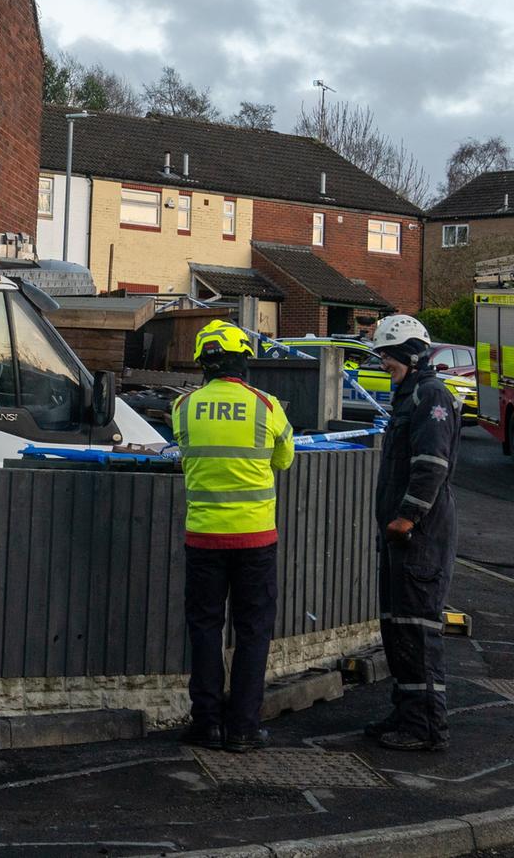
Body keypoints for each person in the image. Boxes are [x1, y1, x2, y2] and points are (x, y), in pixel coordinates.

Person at [173, 320, 295, 752]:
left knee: (205, 628)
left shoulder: (184, 407)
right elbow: (284, 459)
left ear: (203, 363)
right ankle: (243, 728)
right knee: (253, 631)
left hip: (204, 537)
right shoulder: (266, 405)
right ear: (243, 361)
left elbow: (185, 454)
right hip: (255, 539)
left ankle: (206, 723)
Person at [365, 313, 460, 752]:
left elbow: (431, 466)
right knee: (398, 628)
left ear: (411, 354)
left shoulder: (430, 395)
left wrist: (406, 517)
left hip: (419, 536)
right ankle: (407, 713)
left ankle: (425, 727)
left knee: (418, 631)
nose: (384, 366)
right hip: (402, 538)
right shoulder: (410, 396)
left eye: (389, 358)